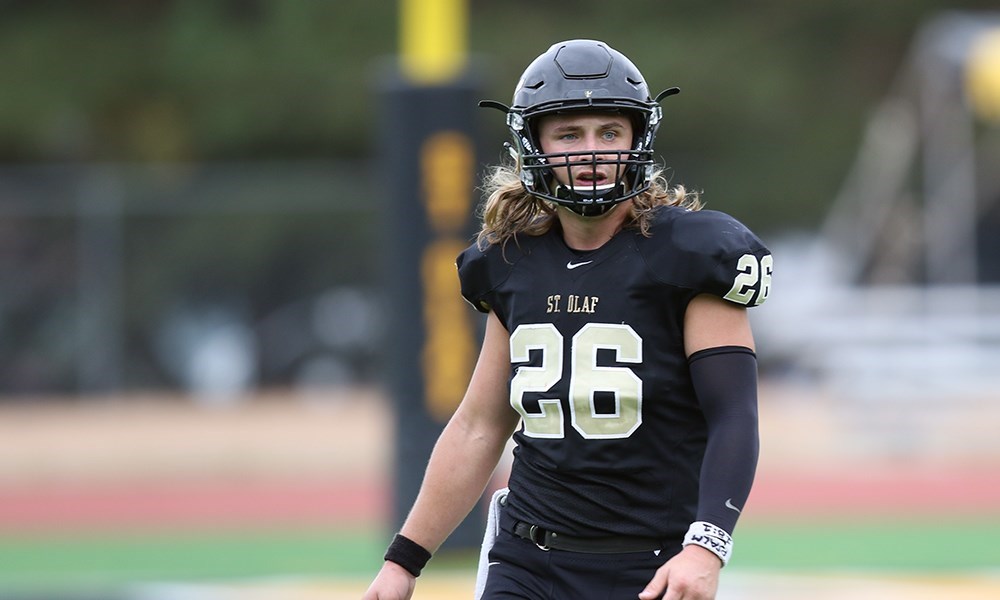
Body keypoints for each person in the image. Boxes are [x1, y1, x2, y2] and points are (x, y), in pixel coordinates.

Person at [363, 39, 772, 600]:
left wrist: (706, 546)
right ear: (534, 145)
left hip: (649, 562)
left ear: (637, 138)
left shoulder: (690, 255)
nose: (592, 151)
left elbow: (733, 415)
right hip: (526, 559)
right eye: (569, 134)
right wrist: (403, 561)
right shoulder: (510, 261)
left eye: (610, 132)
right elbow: (480, 425)